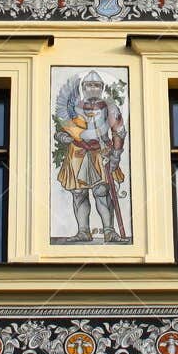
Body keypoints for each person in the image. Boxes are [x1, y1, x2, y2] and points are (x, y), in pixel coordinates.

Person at [54, 70, 129, 243]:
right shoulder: (75, 107)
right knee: (78, 193)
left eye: (96, 85)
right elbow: (62, 130)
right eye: (89, 85)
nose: (93, 88)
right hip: (77, 154)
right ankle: (83, 231)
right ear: (84, 87)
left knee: (101, 192)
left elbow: (119, 131)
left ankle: (109, 231)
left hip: (100, 153)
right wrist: (63, 136)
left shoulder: (109, 107)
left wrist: (116, 156)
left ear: (101, 87)